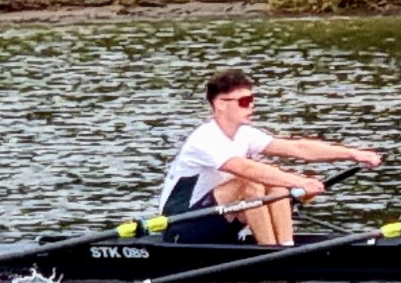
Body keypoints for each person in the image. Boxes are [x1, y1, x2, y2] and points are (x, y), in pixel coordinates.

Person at [157, 69, 381, 246]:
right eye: (244, 101)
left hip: (217, 219)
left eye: (252, 100)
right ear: (220, 104)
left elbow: (299, 149)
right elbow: (245, 169)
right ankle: (270, 251)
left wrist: (353, 154)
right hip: (181, 228)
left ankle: (284, 247)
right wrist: (299, 182)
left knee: (276, 187)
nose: (251, 106)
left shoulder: (244, 134)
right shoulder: (205, 138)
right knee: (251, 181)